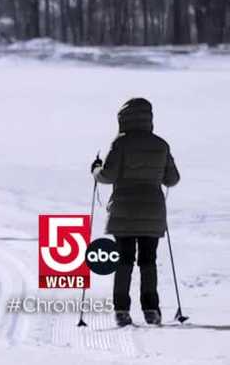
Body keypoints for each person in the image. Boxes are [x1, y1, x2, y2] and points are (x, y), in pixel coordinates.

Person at [91, 98, 180, 327]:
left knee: (124, 261)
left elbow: (107, 176)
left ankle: (122, 310)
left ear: (123, 119)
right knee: (148, 261)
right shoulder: (161, 145)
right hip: (153, 212)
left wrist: (96, 170)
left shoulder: (120, 144)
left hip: (124, 212)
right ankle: (151, 310)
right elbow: (172, 179)